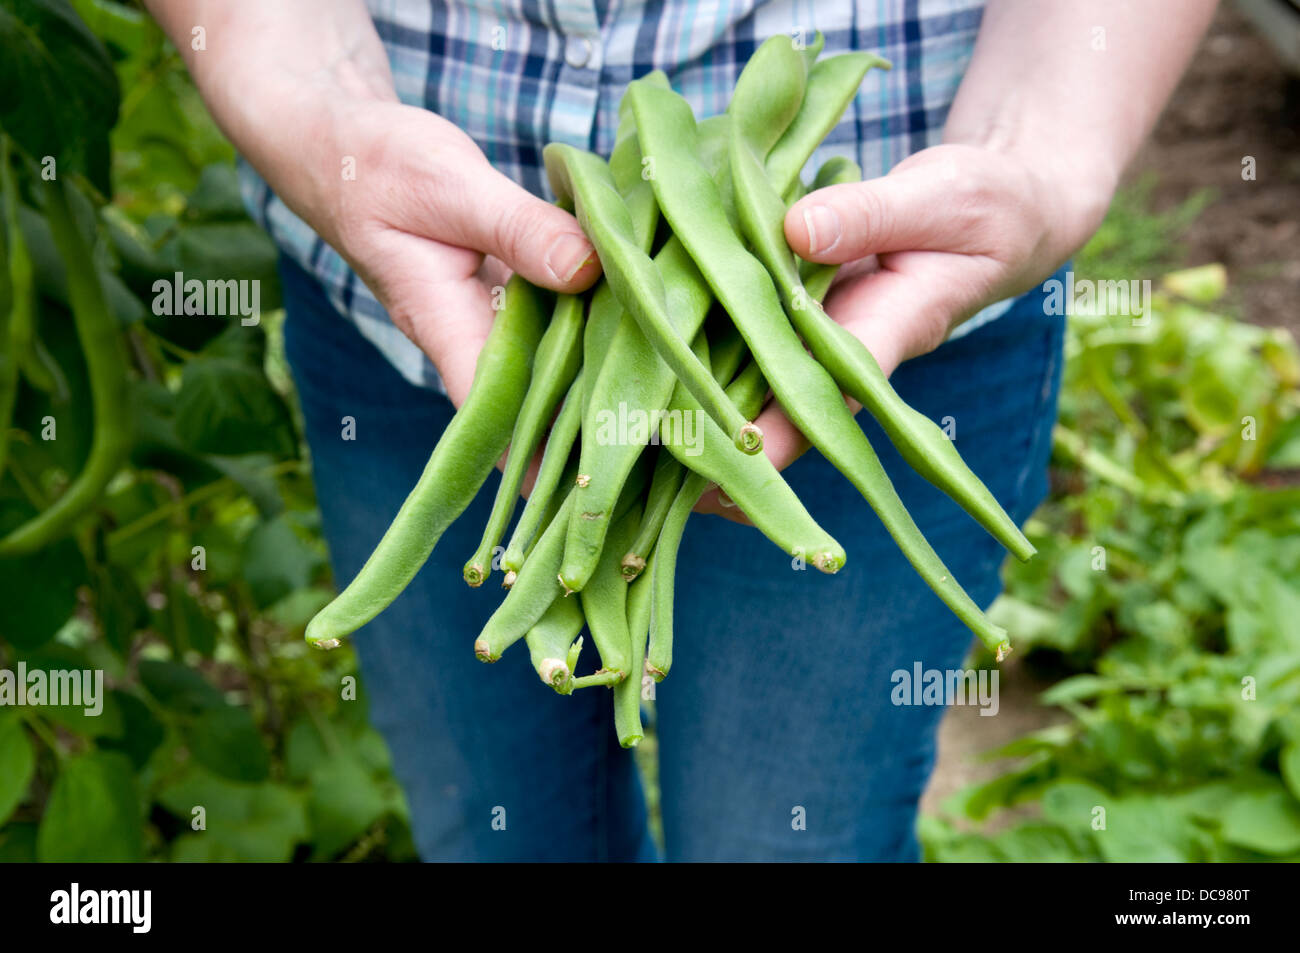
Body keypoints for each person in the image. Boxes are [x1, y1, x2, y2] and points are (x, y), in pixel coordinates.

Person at [144, 0, 1218, 861]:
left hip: (893, 283)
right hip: (394, 281)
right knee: (492, 834)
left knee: (791, 843)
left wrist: (1040, 157)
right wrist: (310, 116)